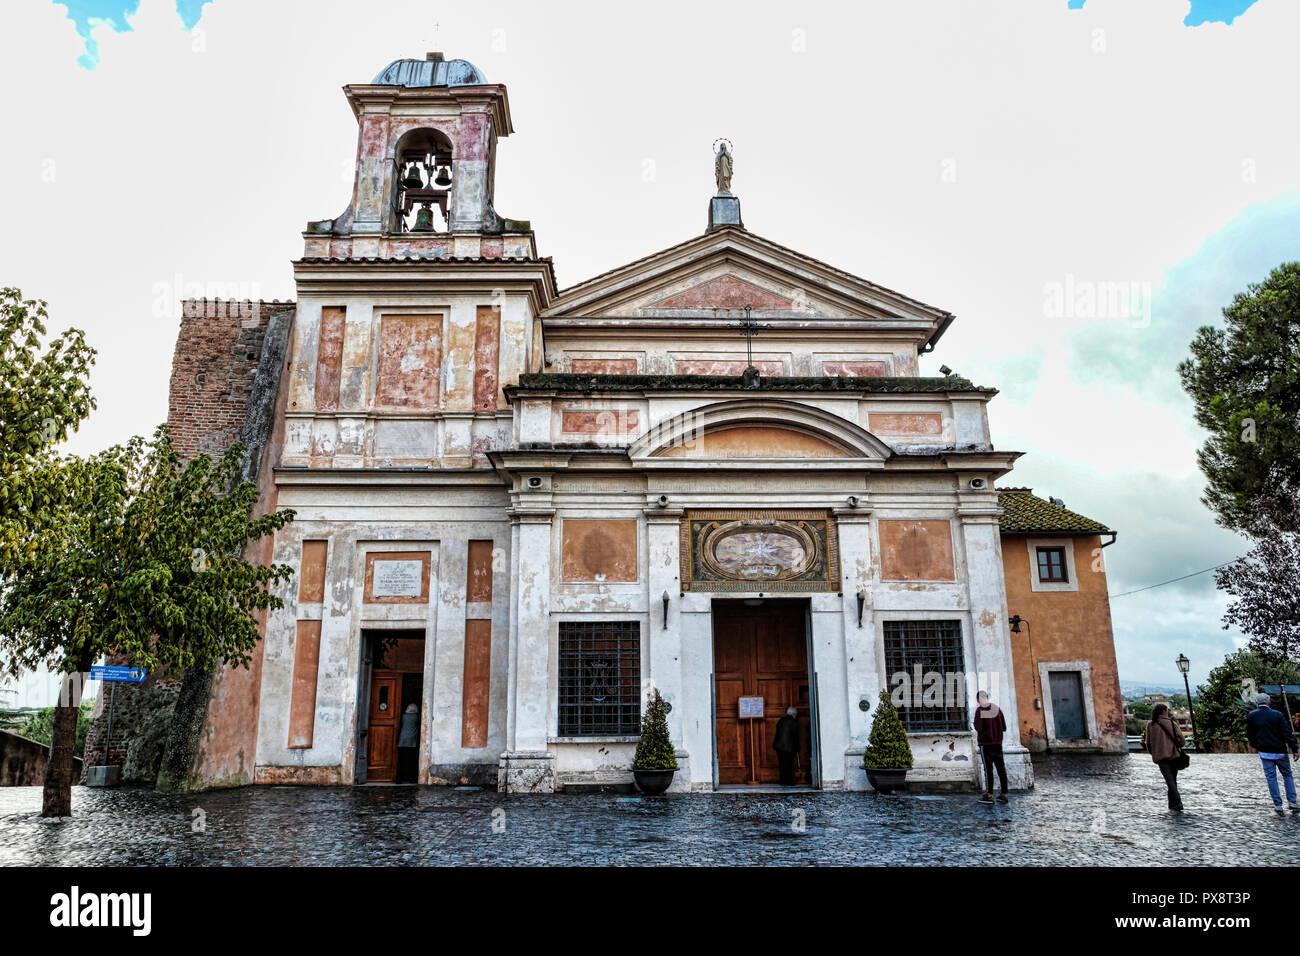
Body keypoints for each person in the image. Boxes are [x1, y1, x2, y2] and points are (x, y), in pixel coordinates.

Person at [1245, 692, 1300, 814]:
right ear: (1269, 702)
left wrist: (1257, 745)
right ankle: (1292, 801)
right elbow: (1287, 733)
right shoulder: (1277, 715)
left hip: (1265, 752)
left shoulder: (1252, 715)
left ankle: (1278, 804)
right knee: (1287, 775)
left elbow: (1250, 734)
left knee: (1271, 778)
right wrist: (1294, 749)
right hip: (1280, 751)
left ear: (1257, 703)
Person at [1143, 703, 1184, 812]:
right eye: (1167, 710)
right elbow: (1182, 740)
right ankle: (1177, 802)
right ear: (1164, 711)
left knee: (1170, 780)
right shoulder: (1172, 723)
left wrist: (1154, 753)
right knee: (1172, 780)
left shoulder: (1151, 725)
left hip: (1161, 757)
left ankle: (1173, 804)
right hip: (1174, 756)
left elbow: (1148, 743)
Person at [973, 691, 1008, 803]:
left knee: (988, 770)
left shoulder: (980, 710)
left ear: (979, 699)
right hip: (998, 744)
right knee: (1001, 769)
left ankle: (989, 795)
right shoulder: (997, 709)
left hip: (986, 744)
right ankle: (1003, 794)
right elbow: (1004, 727)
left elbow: (978, 727)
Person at [772, 706, 800, 786]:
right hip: (789, 747)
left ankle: (783, 780)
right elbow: (795, 736)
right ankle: (789, 781)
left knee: (782, 764)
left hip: (779, 746)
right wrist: (798, 748)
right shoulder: (793, 722)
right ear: (793, 714)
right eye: (795, 714)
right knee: (789, 765)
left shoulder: (781, 720)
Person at [396, 702, 420, 783]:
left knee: (401, 761)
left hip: (402, 741)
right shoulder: (416, 717)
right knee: (411, 761)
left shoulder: (403, 717)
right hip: (412, 741)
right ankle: (411, 779)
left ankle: (399, 779)